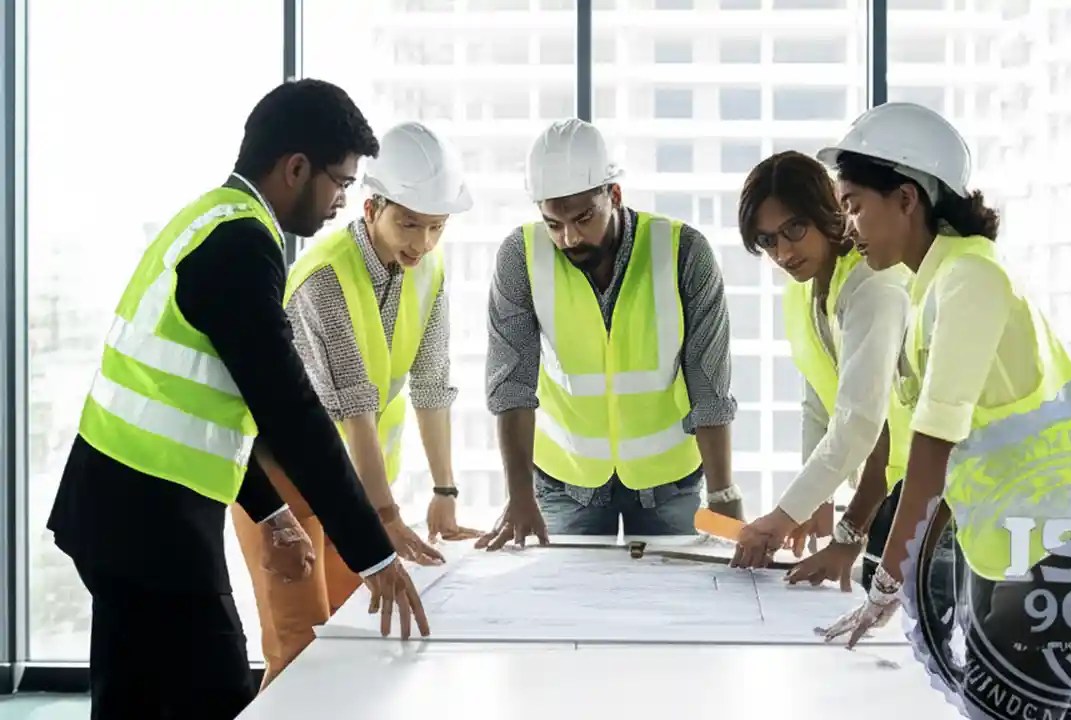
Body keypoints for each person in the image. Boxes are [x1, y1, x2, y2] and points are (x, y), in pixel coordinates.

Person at [46, 79, 428, 720]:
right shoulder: (243, 246)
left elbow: (203, 402)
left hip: (116, 507)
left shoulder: (211, 218)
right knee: (219, 694)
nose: (340, 201)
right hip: (150, 526)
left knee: (134, 701)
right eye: (340, 181)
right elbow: (291, 411)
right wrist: (375, 554)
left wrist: (270, 511)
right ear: (296, 168)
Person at [813, 102, 1071, 719]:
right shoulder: (933, 285)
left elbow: (934, 445)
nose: (848, 224)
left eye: (853, 203)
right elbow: (955, 458)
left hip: (1057, 545)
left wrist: (888, 581)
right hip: (1017, 545)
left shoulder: (968, 282)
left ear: (906, 198)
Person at [230, 120, 480, 687]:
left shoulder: (430, 270)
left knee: (357, 639)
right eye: (408, 223)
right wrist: (384, 518)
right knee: (298, 649)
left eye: (436, 226)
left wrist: (444, 493)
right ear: (372, 207)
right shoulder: (325, 279)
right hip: (282, 488)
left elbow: (432, 382)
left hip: (348, 484)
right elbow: (354, 406)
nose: (422, 242)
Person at [478, 117, 743, 549]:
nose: (569, 238)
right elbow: (511, 387)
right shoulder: (520, 257)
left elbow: (709, 385)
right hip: (567, 483)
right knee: (568, 612)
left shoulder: (682, 251)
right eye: (553, 223)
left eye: (584, 218)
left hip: (668, 484)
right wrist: (519, 496)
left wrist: (722, 496)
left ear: (614, 195)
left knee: (678, 610)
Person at [728, 150, 911, 580]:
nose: (784, 252)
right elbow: (817, 404)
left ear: (828, 210)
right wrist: (812, 503)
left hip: (927, 494)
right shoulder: (804, 291)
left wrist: (785, 515)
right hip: (888, 495)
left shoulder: (872, 285)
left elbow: (863, 423)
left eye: (794, 228)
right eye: (768, 240)